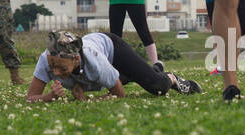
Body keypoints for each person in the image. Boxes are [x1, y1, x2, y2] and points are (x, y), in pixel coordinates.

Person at [25, 30, 200, 103]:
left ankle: (171, 78)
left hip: (112, 49)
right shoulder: (46, 59)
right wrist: (49, 96)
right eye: (52, 66)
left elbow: (119, 94)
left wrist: (89, 101)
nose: (54, 72)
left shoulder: (95, 62)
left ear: (76, 59)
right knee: (128, 76)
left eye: (62, 69)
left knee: (157, 87)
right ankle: (146, 72)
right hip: (98, 69)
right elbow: (30, 97)